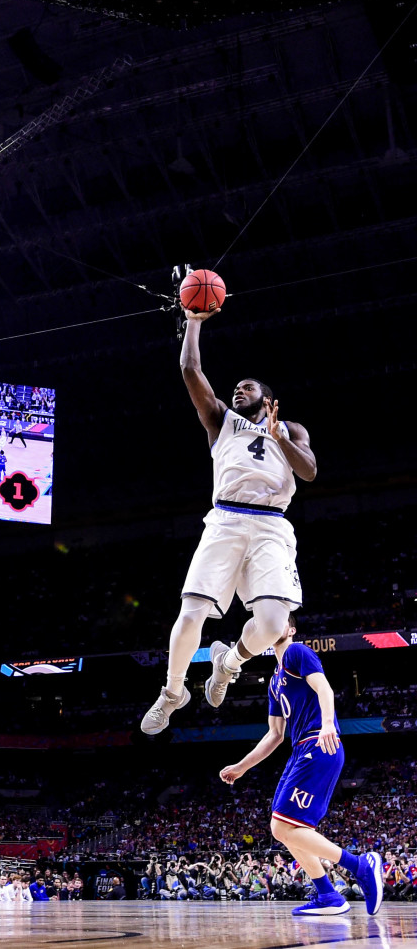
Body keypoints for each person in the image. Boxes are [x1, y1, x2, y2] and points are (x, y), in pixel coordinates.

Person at [141, 305, 317, 735]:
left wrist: (278, 439)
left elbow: (309, 471)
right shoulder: (221, 420)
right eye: (236, 387)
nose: (238, 391)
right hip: (226, 519)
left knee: (274, 626)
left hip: (272, 525)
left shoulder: (291, 429)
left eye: (247, 387)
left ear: (267, 399)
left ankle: (229, 661)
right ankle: (172, 693)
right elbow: (190, 369)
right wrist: (193, 322)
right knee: (191, 613)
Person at [218, 612, 385, 916]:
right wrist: (241, 767)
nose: (273, 624)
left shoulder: (297, 651)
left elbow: (324, 688)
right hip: (299, 750)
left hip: (318, 742)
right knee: (284, 828)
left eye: (280, 619)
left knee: (282, 827)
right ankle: (328, 895)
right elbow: (274, 734)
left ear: (291, 629)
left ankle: (361, 866)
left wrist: (328, 723)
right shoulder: (274, 681)